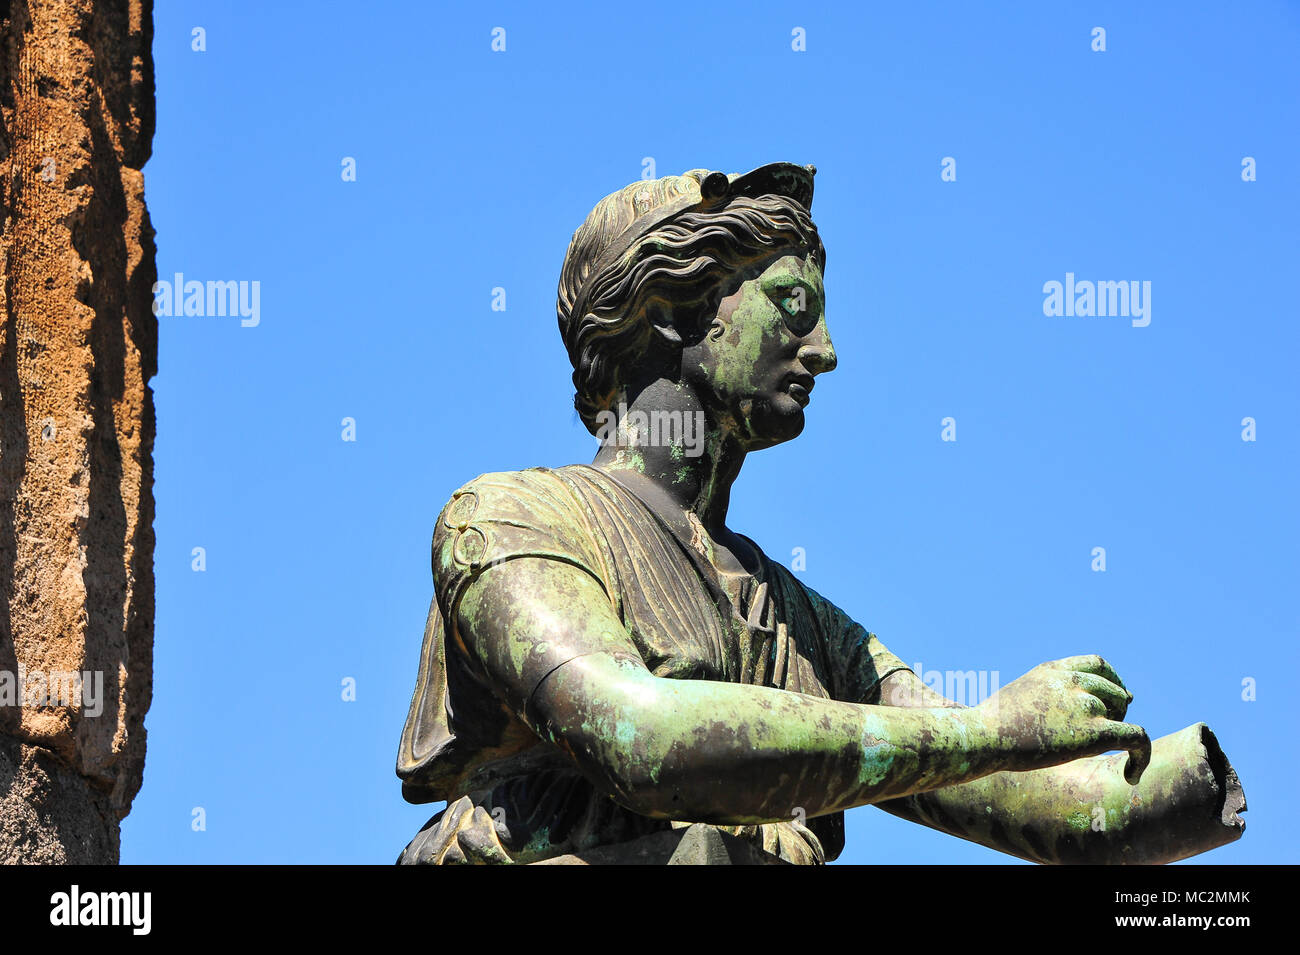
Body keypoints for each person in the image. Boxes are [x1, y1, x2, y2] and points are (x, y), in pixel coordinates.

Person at [395, 164, 1241, 865]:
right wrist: (997, 729)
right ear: (670, 308)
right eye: (793, 306)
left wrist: (1177, 780)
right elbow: (642, 739)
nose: (827, 351)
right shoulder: (509, 519)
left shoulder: (801, 624)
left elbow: (1026, 794)